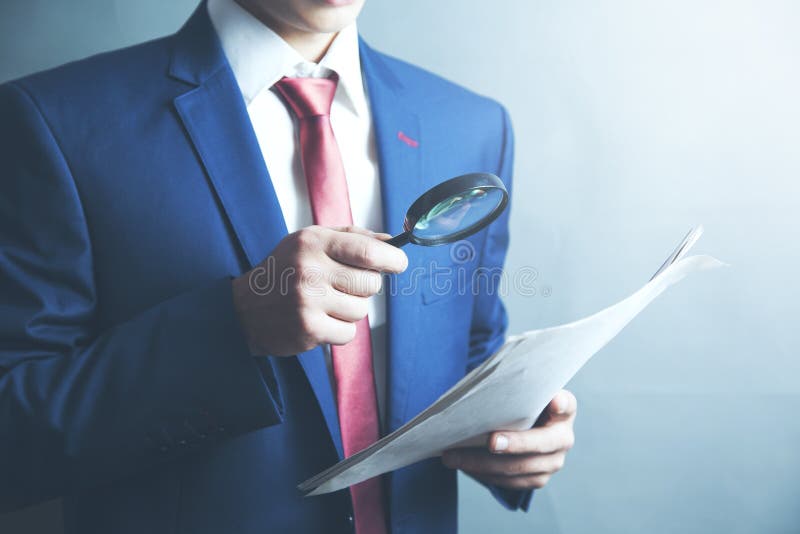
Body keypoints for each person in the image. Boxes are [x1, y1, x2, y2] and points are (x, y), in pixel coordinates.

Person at [0, 0, 577, 532]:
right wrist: (234, 325)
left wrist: (514, 436)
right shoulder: (54, 123)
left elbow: (469, 348)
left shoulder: (472, 125)